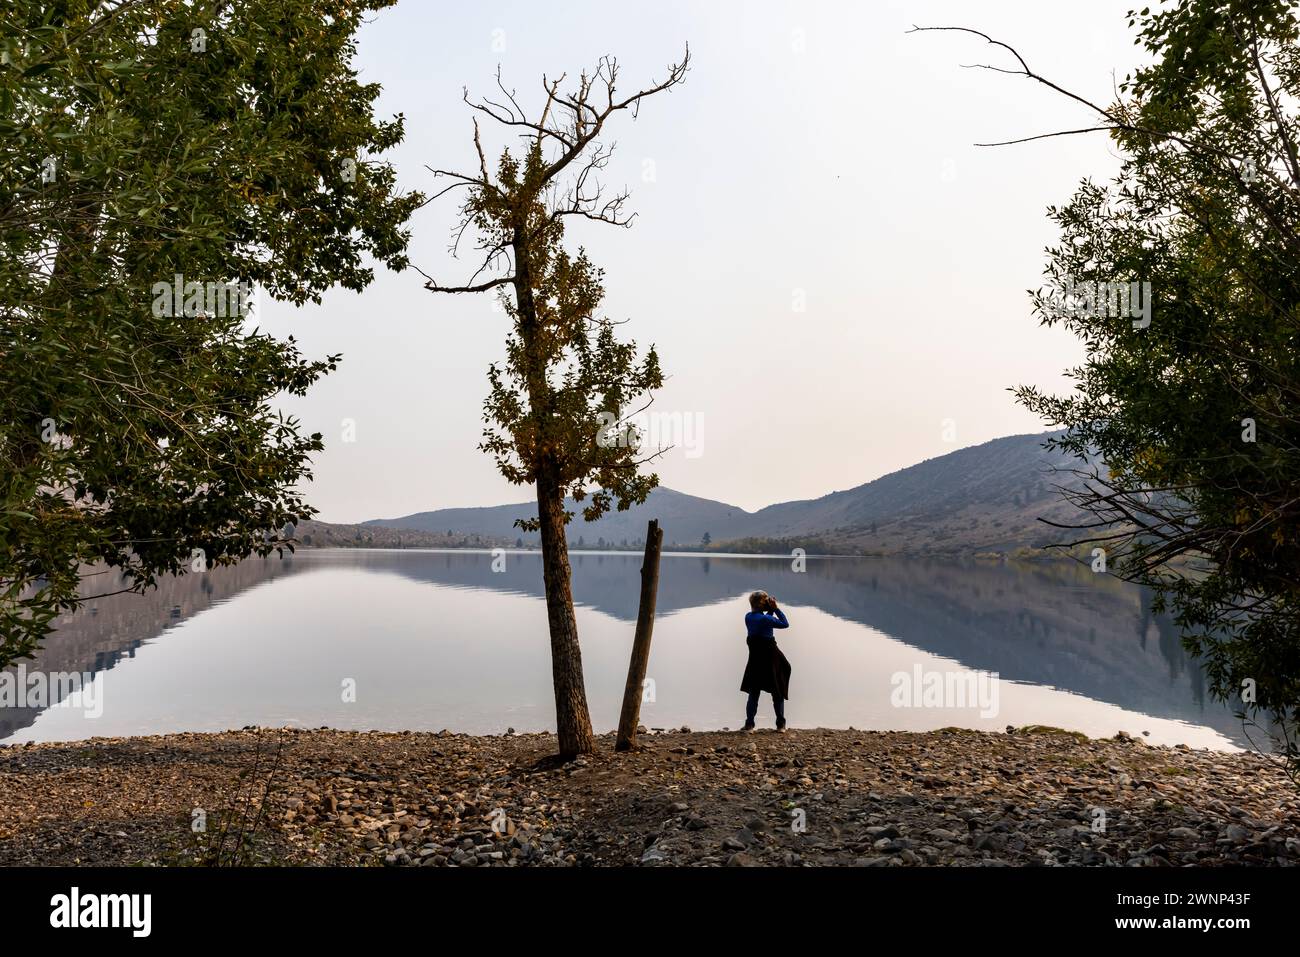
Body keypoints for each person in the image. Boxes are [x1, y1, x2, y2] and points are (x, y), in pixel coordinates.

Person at [740, 590, 791, 732]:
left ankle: (749, 724)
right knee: (778, 690)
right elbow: (785, 624)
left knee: (754, 692)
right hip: (770, 660)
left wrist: (769, 611)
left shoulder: (748, 617)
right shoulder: (765, 619)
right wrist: (776, 609)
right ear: (763, 604)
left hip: (755, 660)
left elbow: (764, 621)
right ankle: (781, 725)